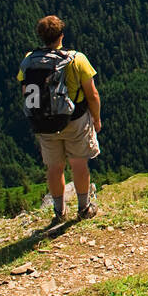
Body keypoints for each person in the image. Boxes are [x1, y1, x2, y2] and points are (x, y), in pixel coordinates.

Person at [17, 15, 102, 222]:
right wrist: (97, 120)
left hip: (44, 122)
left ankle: (59, 212)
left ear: (41, 36)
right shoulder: (76, 59)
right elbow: (92, 95)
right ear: (61, 35)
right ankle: (84, 208)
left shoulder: (29, 60)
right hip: (75, 120)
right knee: (79, 163)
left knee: (54, 168)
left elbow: (25, 90)